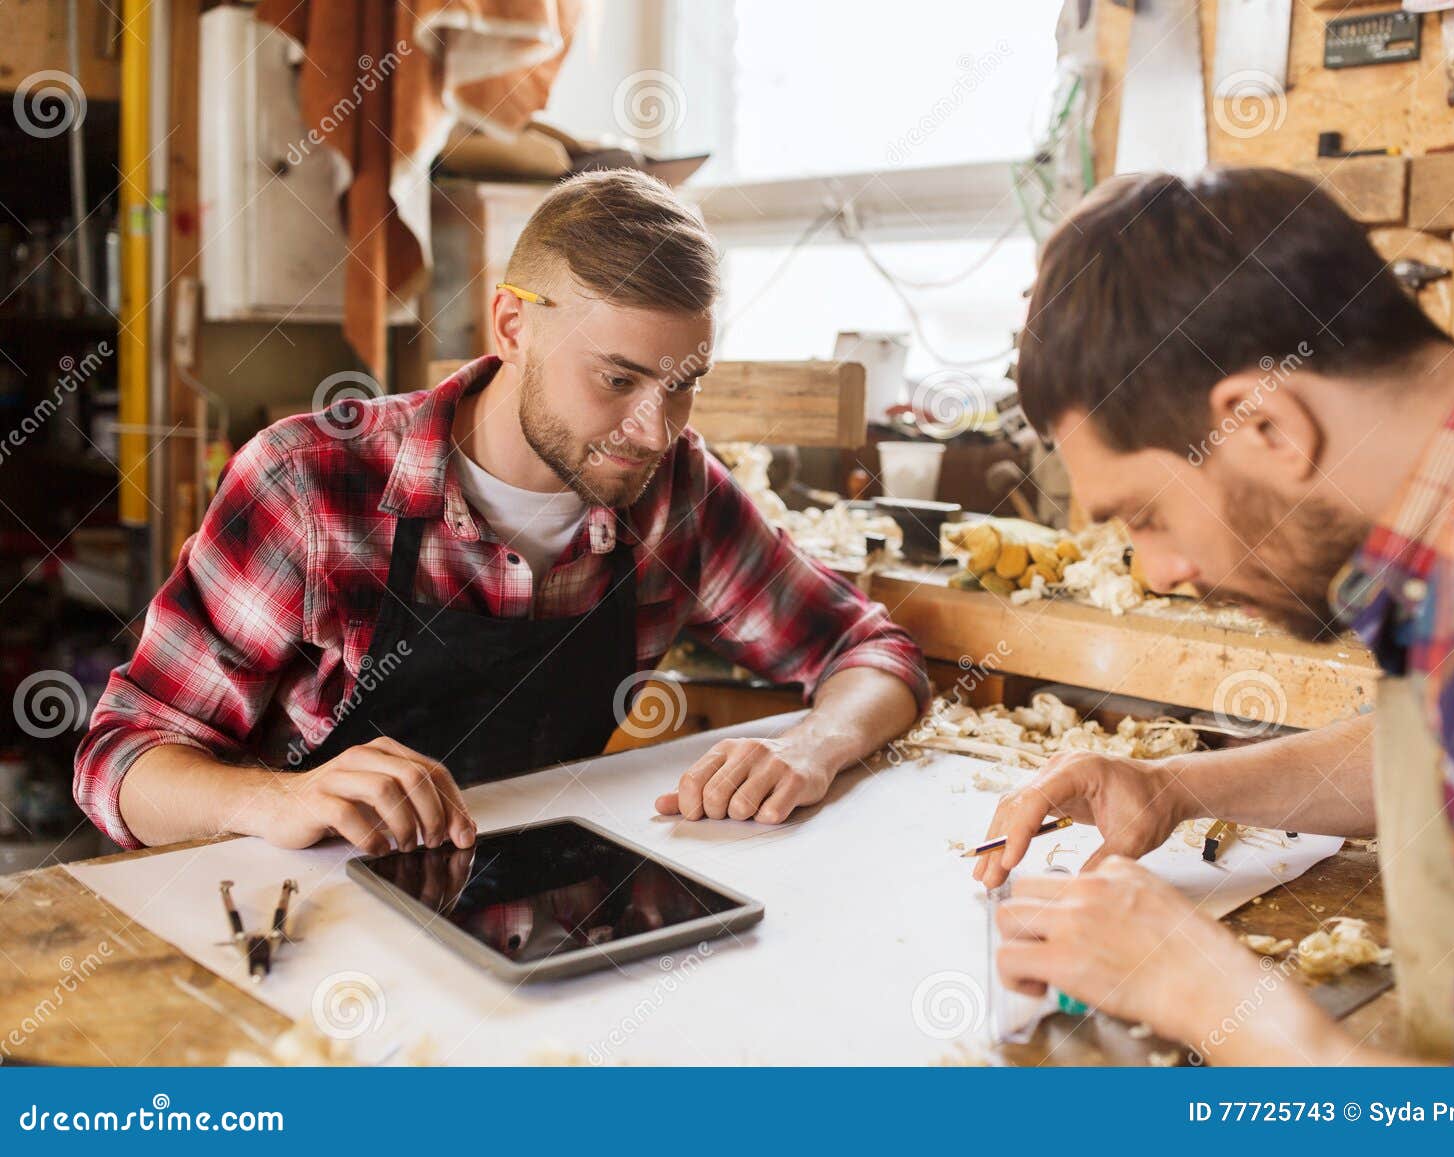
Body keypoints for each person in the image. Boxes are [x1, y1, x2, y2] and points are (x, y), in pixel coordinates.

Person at [75, 169, 928, 856]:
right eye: (619, 379)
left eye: (683, 386)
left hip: (522, 906)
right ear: (513, 324)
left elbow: (873, 650)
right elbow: (118, 759)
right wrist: (278, 798)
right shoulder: (306, 482)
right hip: (298, 921)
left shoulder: (680, 494)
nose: (653, 429)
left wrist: (809, 748)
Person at [980, 167, 1454, 1066]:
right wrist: (1177, 790)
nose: (1158, 572)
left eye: (1146, 515)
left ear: (1264, 425)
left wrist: (1212, 994)